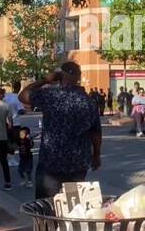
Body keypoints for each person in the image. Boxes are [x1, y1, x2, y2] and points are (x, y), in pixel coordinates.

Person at [19, 61, 102, 200]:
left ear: (60, 75)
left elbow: (23, 96)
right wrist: (96, 156)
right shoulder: (88, 100)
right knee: (72, 207)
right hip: (78, 163)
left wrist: (44, 80)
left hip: (51, 162)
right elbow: (95, 133)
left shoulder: (51, 94)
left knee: (47, 207)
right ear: (78, 77)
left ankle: (48, 221)